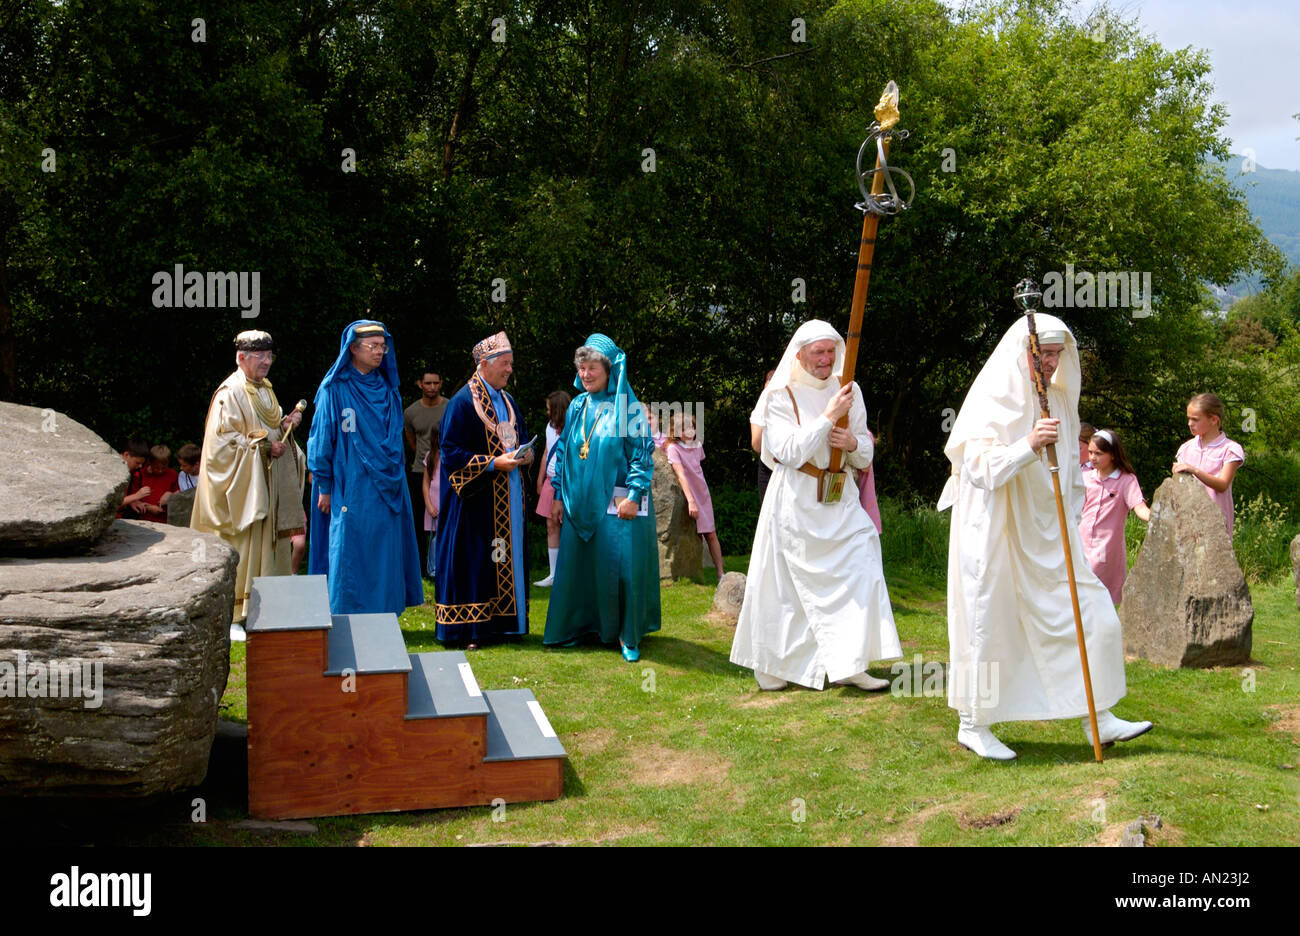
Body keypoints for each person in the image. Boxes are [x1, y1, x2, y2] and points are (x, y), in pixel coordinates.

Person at [938, 314, 1151, 760]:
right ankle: (973, 723)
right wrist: (1028, 443)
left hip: (1048, 528)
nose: (1051, 363)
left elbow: (1073, 472)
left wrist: (1070, 518)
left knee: (1094, 614)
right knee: (989, 621)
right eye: (1044, 353)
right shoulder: (992, 400)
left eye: (1058, 354)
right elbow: (978, 469)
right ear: (1023, 353)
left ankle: (1099, 712)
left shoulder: (1059, 400)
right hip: (995, 526)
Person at [730, 320, 901, 691]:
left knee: (863, 559)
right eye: (818, 352)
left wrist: (853, 444)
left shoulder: (848, 390)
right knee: (785, 587)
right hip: (795, 499)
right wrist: (826, 419)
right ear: (800, 354)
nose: (825, 359)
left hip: (839, 498)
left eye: (830, 351)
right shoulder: (780, 394)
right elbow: (787, 451)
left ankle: (851, 663)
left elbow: (866, 452)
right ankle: (774, 664)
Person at [543, 334, 660, 662]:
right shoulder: (578, 405)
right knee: (582, 568)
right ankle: (579, 628)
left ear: (609, 370)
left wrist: (635, 495)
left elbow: (641, 455)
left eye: (592, 368)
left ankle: (628, 634)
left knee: (621, 570)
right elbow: (565, 449)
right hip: (578, 502)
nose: (586, 374)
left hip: (617, 505)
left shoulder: (628, 408)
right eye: (581, 368)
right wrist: (557, 493)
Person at [191, 330, 306, 637]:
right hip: (243, 492)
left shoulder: (266, 390)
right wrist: (265, 446)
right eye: (260, 356)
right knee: (241, 547)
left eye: (269, 356)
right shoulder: (230, 393)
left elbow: (270, 430)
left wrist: (284, 427)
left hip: (266, 484)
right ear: (241, 358)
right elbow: (221, 446)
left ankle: (265, 610)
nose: (266, 362)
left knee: (270, 548)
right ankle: (232, 616)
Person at [307, 320, 423, 616]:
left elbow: (395, 440)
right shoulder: (335, 388)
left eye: (383, 346)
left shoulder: (387, 388)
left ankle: (384, 614)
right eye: (374, 346)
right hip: (350, 482)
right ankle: (346, 615)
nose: (380, 352)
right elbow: (322, 440)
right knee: (350, 547)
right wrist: (324, 485)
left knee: (384, 550)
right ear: (353, 349)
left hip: (388, 485)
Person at [434, 332, 532, 647]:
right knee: (476, 561)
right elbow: (450, 452)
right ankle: (470, 629)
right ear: (484, 364)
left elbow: (520, 439)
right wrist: (492, 464)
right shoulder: (462, 402)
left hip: (507, 498)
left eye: (511, 364)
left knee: (502, 559)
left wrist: (526, 455)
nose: (509, 370)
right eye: (504, 364)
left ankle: (503, 625)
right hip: (474, 503)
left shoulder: (508, 401)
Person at [1079, 429, 1151, 604]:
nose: (1093, 458)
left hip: (1106, 546)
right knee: (1080, 590)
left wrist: (1157, 517)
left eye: (1099, 453)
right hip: (1081, 541)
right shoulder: (1085, 477)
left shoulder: (1126, 480)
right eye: (1090, 453)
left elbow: (1139, 507)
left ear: (1112, 454)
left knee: (1097, 593)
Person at [663, 410, 725, 579]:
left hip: (702, 493)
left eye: (691, 427)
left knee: (711, 534)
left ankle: (721, 573)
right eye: (683, 429)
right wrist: (691, 501)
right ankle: (695, 573)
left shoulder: (697, 446)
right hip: (688, 495)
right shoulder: (673, 449)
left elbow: (698, 469)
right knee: (694, 535)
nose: (689, 432)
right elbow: (681, 474)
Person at [1173, 392, 1244, 536]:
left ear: (1213, 420)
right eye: (1188, 419)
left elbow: (1222, 484)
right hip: (1188, 523)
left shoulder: (1230, 449)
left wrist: (1194, 470)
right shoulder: (1185, 449)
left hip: (1216, 525)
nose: (1189, 424)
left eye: (1195, 419)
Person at [404, 369, 450, 574]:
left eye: (435, 383)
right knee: (419, 523)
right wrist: (426, 460)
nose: (432, 387)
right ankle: (422, 568)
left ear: (441, 384)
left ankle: (444, 565)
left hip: (447, 471)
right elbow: (411, 440)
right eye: (428, 383)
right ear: (419, 384)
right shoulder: (411, 412)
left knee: (446, 519)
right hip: (419, 471)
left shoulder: (450, 407)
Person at [534, 390, 571, 587]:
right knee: (551, 526)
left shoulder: (572, 430)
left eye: (550, 409)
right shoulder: (549, 427)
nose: (547, 413)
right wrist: (540, 479)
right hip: (550, 479)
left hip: (567, 482)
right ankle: (553, 574)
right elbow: (546, 452)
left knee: (569, 525)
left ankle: (571, 572)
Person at [135, 444, 179, 523]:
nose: (160, 470)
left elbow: (179, 493)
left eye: (164, 468)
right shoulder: (140, 475)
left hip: (166, 521)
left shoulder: (173, 474)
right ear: (150, 462)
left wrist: (170, 495)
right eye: (156, 467)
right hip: (144, 520)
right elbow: (133, 499)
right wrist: (148, 507)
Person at [117, 439, 151, 519]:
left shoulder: (129, 471)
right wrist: (136, 496)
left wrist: (131, 501)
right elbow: (112, 504)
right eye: (137, 463)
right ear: (126, 455)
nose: (140, 466)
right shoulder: (113, 472)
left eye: (142, 463)